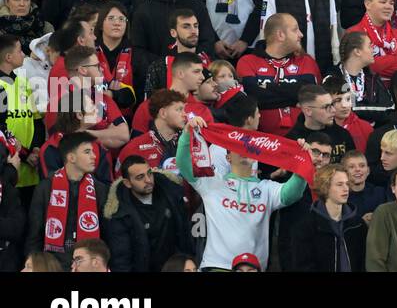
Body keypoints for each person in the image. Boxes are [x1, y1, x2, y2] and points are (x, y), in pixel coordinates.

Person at [176, 115, 307, 270]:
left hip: (253, 268)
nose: (244, 149)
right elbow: (183, 164)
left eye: (248, 146)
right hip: (217, 266)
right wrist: (187, 133)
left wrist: (302, 161)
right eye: (238, 146)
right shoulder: (212, 182)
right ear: (228, 157)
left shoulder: (267, 189)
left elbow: (292, 193)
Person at [26, 131, 110, 269]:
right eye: (87, 152)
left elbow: (109, 236)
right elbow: (34, 235)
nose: (94, 156)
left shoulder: (100, 190)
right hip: (52, 265)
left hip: (89, 267)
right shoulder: (45, 188)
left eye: (93, 151)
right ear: (71, 157)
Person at [103, 153, 192, 272]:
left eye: (149, 173)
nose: (148, 180)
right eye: (140, 177)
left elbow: (185, 236)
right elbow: (121, 259)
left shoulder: (170, 192)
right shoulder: (119, 213)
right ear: (127, 183)